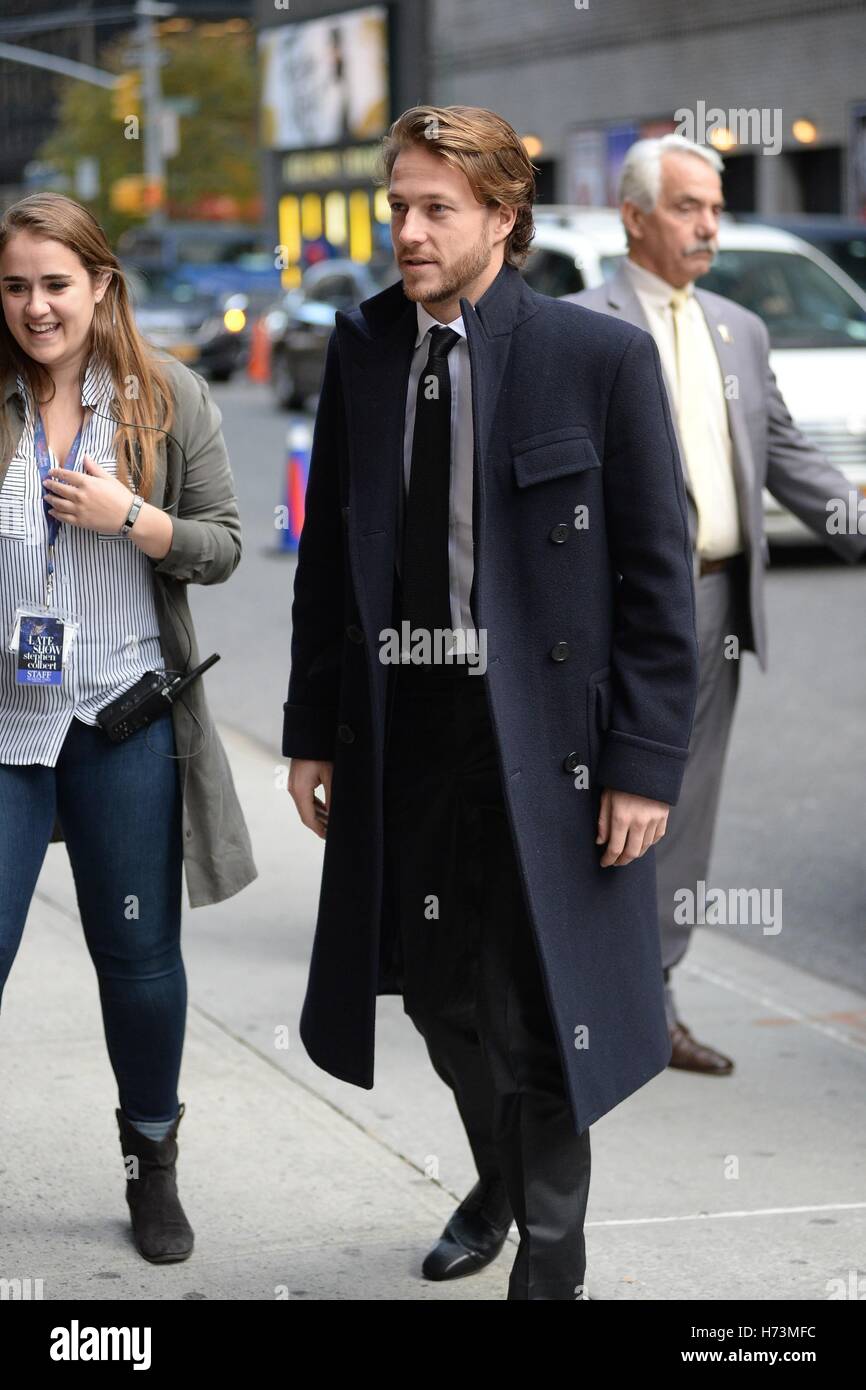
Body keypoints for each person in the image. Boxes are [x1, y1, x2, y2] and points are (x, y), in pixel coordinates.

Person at [283, 105, 699, 1300]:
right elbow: (330, 564)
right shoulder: (364, 352)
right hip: (406, 733)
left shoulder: (596, 359)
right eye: (397, 207)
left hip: (546, 745)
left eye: (433, 210)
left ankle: (551, 1258)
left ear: (502, 219)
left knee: (536, 1013)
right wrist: (313, 732)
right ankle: (499, 1181)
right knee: (435, 998)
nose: (405, 232)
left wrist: (643, 761)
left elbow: (657, 581)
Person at [566, 134, 866, 1073]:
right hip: (608, 618)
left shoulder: (740, 328)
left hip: (714, 609)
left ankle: (650, 1004)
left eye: (717, 208)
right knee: (592, 810)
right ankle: (580, 1003)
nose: (708, 226)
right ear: (634, 215)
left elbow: (789, 459)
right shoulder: (580, 325)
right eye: (690, 206)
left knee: (680, 816)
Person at [0, 192, 257, 1264]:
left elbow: (227, 544)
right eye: (15, 286)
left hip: (122, 717)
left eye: (57, 284)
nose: (36, 308)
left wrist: (135, 520)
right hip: (8, 727)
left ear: (101, 285)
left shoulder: (165, 399)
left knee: (139, 960)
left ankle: (152, 1163)